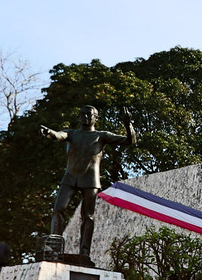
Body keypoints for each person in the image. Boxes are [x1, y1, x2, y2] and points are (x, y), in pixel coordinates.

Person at [39, 104, 136, 257]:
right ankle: (55, 247)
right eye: (83, 114)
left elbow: (129, 141)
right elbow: (58, 135)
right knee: (58, 209)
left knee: (88, 216)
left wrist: (127, 123)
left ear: (96, 118)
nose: (85, 117)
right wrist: (49, 132)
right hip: (70, 177)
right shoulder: (71, 133)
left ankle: (84, 252)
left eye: (89, 114)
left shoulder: (101, 135)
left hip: (90, 179)